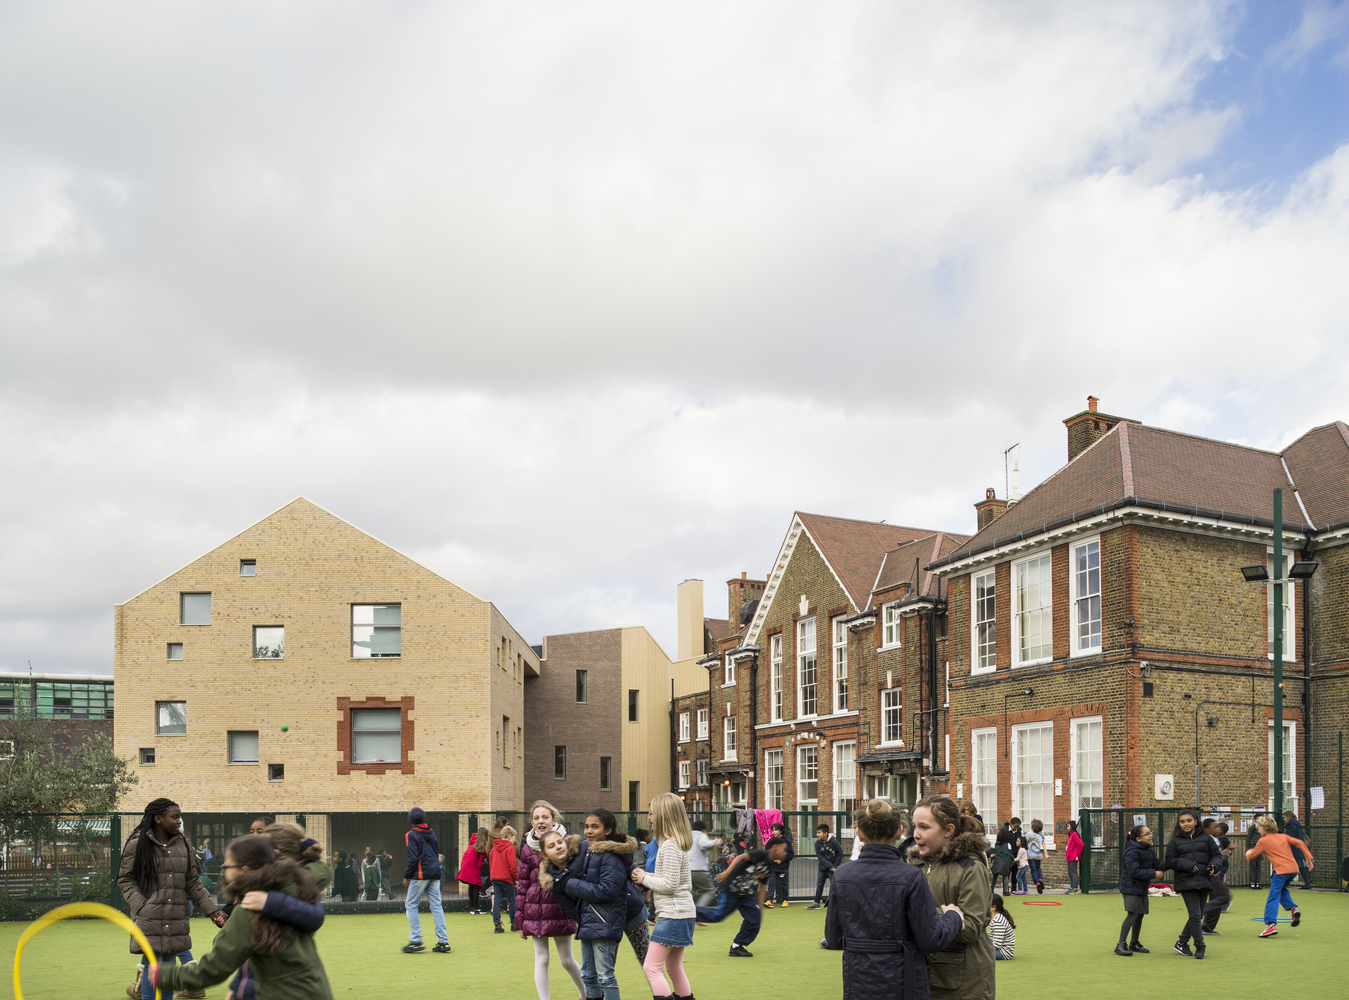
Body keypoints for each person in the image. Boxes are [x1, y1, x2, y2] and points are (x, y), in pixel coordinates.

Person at [150, 835, 332, 999]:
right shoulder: (288, 888)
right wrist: (239, 989)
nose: (225, 871)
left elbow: (215, 967)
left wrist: (164, 975)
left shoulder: (249, 909)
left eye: (227, 866)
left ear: (244, 869)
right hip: (317, 990)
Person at [824, 798, 964, 1000]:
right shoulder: (911, 876)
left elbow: (833, 938)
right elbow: (931, 939)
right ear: (899, 831)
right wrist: (954, 917)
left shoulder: (842, 876)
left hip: (858, 983)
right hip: (904, 983)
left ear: (859, 833)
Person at [116, 798, 226, 1000]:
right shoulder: (138, 844)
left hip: (176, 917)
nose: (179, 821)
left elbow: (193, 882)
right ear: (158, 819)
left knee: (167, 971)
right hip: (149, 918)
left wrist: (213, 911)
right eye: (174, 817)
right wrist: (141, 905)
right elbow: (125, 879)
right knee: (153, 967)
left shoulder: (184, 844)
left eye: (180, 817)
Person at [911, 795, 994, 1000]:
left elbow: (972, 927)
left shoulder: (970, 867)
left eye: (924, 827)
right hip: (922, 975)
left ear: (948, 830)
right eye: (914, 827)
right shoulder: (914, 864)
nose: (916, 835)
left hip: (964, 981)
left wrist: (919, 916)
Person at [552, 808, 636, 1000]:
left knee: (605, 976)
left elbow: (606, 891)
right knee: (588, 975)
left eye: (595, 827)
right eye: (587, 827)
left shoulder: (610, 856)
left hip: (604, 922)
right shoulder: (589, 852)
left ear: (608, 830)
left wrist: (568, 883)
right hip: (588, 921)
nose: (588, 831)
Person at [631, 792, 696, 1000]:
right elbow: (669, 879)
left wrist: (643, 878)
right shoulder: (675, 843)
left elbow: (668, 885)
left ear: (664, 815)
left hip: (673, 914)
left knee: (651, 968)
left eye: (652, 813)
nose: (650, 817)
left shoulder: (669, 845)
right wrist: (646, 875)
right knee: (674, 968)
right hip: (682, 913)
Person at [518, 801, 585, 1000]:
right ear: (532, 822)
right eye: (537, 818)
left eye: (545, 817)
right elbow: (522, 885)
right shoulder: (527, 848)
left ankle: (587, 994)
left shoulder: (566, 843)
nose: (541, 821)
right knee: (542, 958)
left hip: (559, 907)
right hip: (534, 910)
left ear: (554, 820)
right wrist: (519, 919)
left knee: (566, 959)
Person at [696, 835, 785, 957]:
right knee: (718, 915)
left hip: (746, 895)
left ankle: (737, 946)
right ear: (775, 848)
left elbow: (762, 888)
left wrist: (760, 909)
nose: (785, 853)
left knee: (755, 919)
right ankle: (689, 910)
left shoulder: (770, 866)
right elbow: (741, 857)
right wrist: (728, 872)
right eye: (783, 850)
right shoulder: (760, 854)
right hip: (732, 889)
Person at [1161, 808, 1221, 958]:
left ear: (1195, 821)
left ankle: (1182, 942)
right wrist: (1186, 864)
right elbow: (1170, 861)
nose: (1185, 824)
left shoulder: (1207, 838)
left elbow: (1216, 856)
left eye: (1188, 821)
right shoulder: (1175, 841)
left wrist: (1215, 865)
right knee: (1194, 914)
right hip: (1186, 881)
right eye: (1182, 821)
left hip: (1204, 879)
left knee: (1198, 915)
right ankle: (1200, 946)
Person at [1246, 813, 1314, 937]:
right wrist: (1308, 858)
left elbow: (1252, 855)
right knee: (1282, 891)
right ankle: (1294, 909)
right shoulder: (1283, 837)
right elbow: (1300, 843)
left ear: (1265, 828)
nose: (1258, 829)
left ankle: (1271, 925)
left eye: (1259, 827)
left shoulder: (1263, 841)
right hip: (1293, 870)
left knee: (1273, 897)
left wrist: (1248, 852)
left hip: (1281, 871)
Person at [402, 807, 450, 954]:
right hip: (435, 873)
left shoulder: (411, 834)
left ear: (411, 820)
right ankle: (443, 941)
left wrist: (406, 876)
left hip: (421, 874)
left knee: (411, 904)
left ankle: (416, 940)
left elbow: (413, 858)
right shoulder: (432, 832)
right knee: (436, 906)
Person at [1115, 824, 1164, 956]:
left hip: (1141, 887)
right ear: (1138, 838)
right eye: (1147, 834)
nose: (1150, 835)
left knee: (1140, 914)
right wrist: (1154, 873)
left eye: (1150, 833)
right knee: (1132, 914)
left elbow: (1157, 865)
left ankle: (1134, 943)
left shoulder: (1149, 849)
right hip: (1131, 887)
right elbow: (1134, 871)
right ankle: (1120, 944)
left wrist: (1173, 863)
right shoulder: (1132, 851)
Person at [1200, 818, 1232, 935]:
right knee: (1224, 897)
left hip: (1214, 873)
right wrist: (1221, 853)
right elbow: (1207, 856)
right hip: (1208, 873)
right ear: (1207, 829)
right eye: (1215, 827)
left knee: (1216, 899)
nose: (1218, 829)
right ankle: (1199, 912)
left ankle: (1206, 927)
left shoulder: (1215, 838)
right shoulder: (1205, 840)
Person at [491, 824, 521, 933]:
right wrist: (516, 879)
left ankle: (497, 924)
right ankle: (514, 923)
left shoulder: (494, 849)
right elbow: (512, 866)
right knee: (512, 900)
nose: (514, 840)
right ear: (509, 836)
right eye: (514, 837)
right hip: (507, 878)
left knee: (497, 901)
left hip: (495, 878)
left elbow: (491, 864)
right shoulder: (510, 848)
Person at [686, 820, 722, 908]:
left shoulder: (688, 837)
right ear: (703, 830)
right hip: (699, 870)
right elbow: (703, 844)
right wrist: (715, 842)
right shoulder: (701, 835)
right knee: (709, 890)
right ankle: (699, 912)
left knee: (690, 893)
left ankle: (683, 912)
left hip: (687, 871)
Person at [808, 822, 843, 909]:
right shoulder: (817, 844)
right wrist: (830, 866)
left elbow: (840, 853)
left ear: (825, 833)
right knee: (819, 885)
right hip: (823, 869)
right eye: (817, 833)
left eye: (819, 832)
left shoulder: (834, 842)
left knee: (834, 885)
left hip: (833, 869)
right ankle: (816, 903)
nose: (817, 834)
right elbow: (820, 857)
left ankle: (837, 903)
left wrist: (835, 866)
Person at [458, 827, 490, 915]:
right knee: (476, 885)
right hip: (473, 866)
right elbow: (481, 859)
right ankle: (476, 907)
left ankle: (472, 907)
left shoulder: (472, 842)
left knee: (471, 885)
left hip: (466, 864)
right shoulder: (481, 845)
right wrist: (480, 868)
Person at [765, 821, 795, 908]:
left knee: (784, 883)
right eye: (773, 830)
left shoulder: (786, 841)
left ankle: (785, 900)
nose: (774, 832)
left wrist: (781, 860)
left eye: (776, 830)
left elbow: (791, 854)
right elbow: (767, 852)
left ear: (781, 831)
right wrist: (773, 859)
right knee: (771, 883)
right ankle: (770, 901)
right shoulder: (771, 841)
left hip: (782, 867)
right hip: (772, 867)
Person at [1283, 811, 1311, 887]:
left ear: (1289, 818)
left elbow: (1288, 838)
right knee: (1301, 867)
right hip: (1299, 848)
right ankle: (1307, 883)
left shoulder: (1291, 826)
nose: (1284, 819)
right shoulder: (1298, 824)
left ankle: (1286, 882)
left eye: (1285, 817)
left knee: (1292, 866)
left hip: (1293, 849)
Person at [988, 894, 1015, 960]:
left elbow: (997, 944)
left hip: (1003, 952)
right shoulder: (994, 918)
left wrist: (984, 947)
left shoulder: (998, 921)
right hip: (999, 949)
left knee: (980, 953)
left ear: (993, 907)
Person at [1065, 820, 1084, 893]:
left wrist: (1078, 854)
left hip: (1073, 857)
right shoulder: (1071, 835)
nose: (1067, 828)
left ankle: (1075, 888)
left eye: (1068, 826)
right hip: (1069, 857)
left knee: (1073, 872)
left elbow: (1081, 844)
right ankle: (1071, 886)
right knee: (1070, 873)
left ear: (1072, 826)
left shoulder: (1075, 834)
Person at [1026, 819, 1045, 893]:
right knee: (1038, 868)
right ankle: (1040, 879)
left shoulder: (1028, 834)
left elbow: (1025, 843)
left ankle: (1037, 884)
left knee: (1033, 869)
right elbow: (1043, 844)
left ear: (1032, 827)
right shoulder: (1041, 835)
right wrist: (1046, 853)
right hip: (1038, 854)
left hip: (1031, 855)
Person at [1246, 815, 1264, 888]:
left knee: (1258, 865)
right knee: (1253, 865)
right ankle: (1252, 882)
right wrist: (1248, 847)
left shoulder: (1263, 828)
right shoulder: (1252, 828)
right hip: (1253, 846)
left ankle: (1257, 882)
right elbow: (1249, 838)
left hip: (1260, 847)